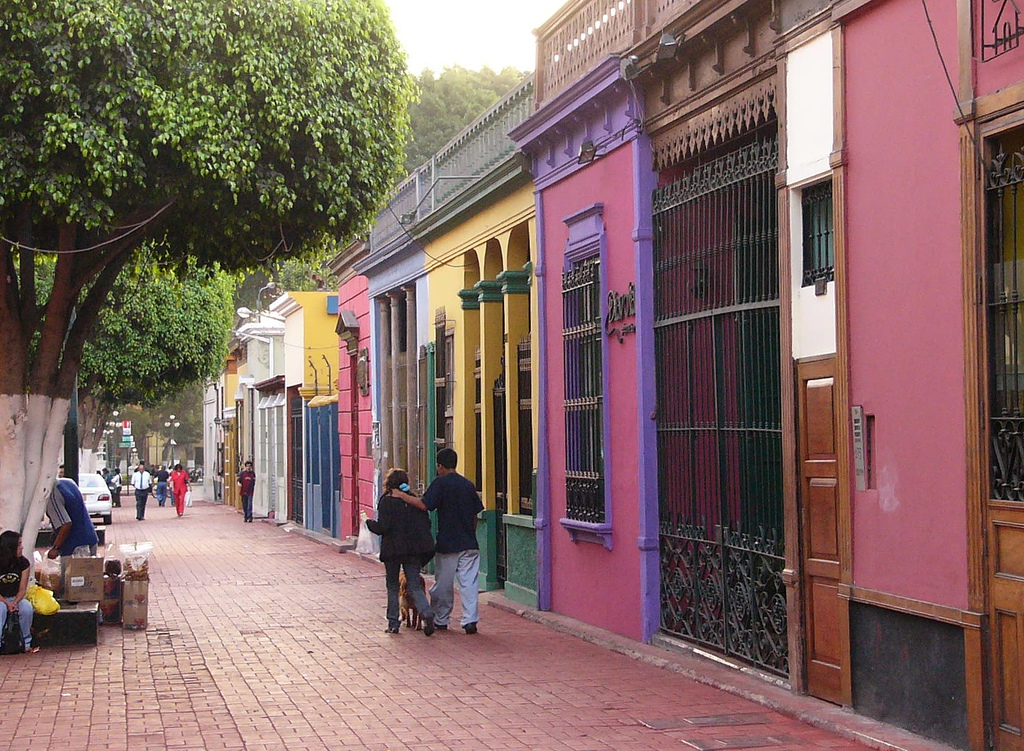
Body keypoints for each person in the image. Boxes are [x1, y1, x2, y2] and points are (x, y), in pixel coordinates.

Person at [394, 448, 483, 634]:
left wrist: (402, 496)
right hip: (469, 543)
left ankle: (441, 619)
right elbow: (475, 514)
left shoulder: (440, 484)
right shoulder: (468, 485)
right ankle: (470, 620)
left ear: (440, 466)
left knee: (443, 584)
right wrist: (470, 532)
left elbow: (424, 505)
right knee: (469, 583)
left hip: (448, 543)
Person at [364, 468, 435, 636]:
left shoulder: (386, 501)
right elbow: (426, 523)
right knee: (415, 585)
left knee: (393, 586)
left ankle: (393, 622)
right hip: (412, 550)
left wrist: (368, 523)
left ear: (388, 483)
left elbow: (383, 527)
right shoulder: (413, 500)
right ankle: (427, 613)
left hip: (393, 551)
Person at [46, 476, 99, 563]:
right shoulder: (69, 482)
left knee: (72, 575)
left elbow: (66, 524)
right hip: (90, 538)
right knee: (90, 574)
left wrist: (56, 548)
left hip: (74, 547)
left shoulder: (52, 494)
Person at [0, 531, 36, 653]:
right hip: (1, 598)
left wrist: (15, 602)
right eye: (19, 544)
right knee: (1, 609)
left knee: (26, 609)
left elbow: (22, 589)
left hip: (16, 597)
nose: (22, 547)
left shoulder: (23, 563)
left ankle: (25, 642)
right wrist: (6, 603)